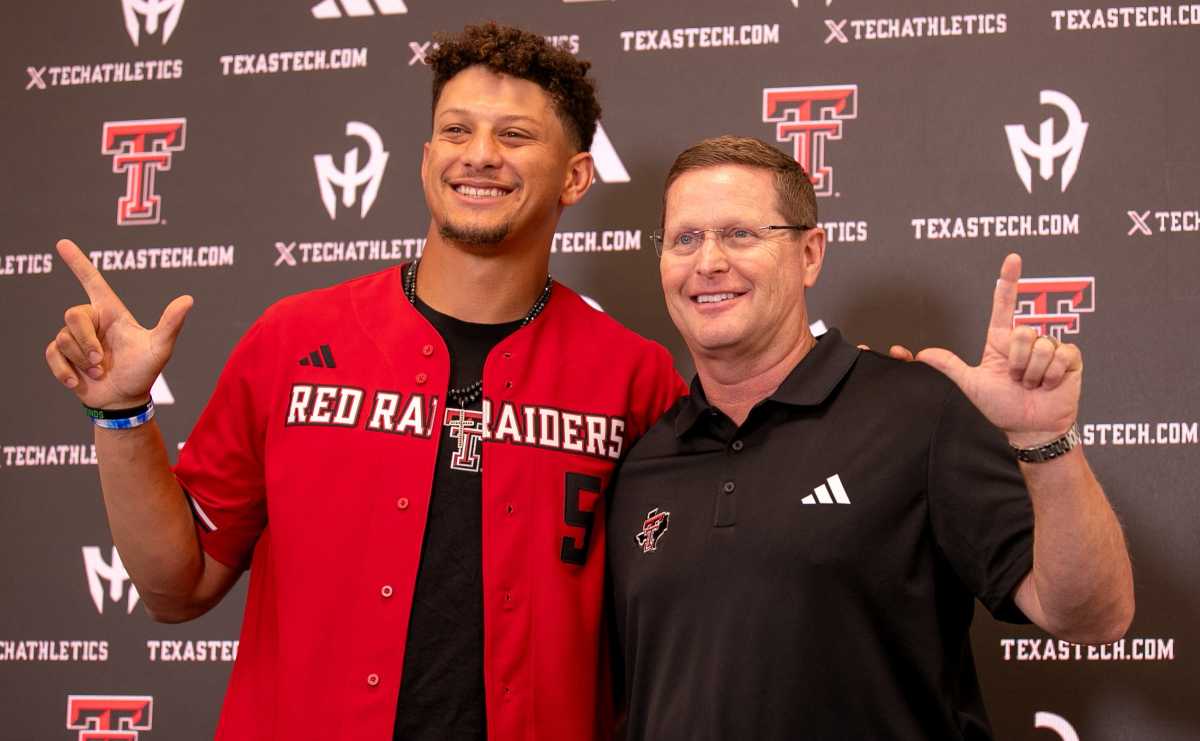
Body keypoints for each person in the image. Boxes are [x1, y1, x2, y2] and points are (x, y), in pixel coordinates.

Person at [44, 23, 683, 741]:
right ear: (424, 158)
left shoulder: (637, 377)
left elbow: (678, 623)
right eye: (456, 129)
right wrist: (123, 412)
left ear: (575, 176)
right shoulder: (293, 339)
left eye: (514, 135)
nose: (479, 155)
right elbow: (176, 588)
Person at [607, 136, 1135, 740]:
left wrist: (1047, 441)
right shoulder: (645, 462)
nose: (707, 263)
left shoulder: (917, 412)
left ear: (810, 254)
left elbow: (1094, 615)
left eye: (740, 234)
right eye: (685, 239)